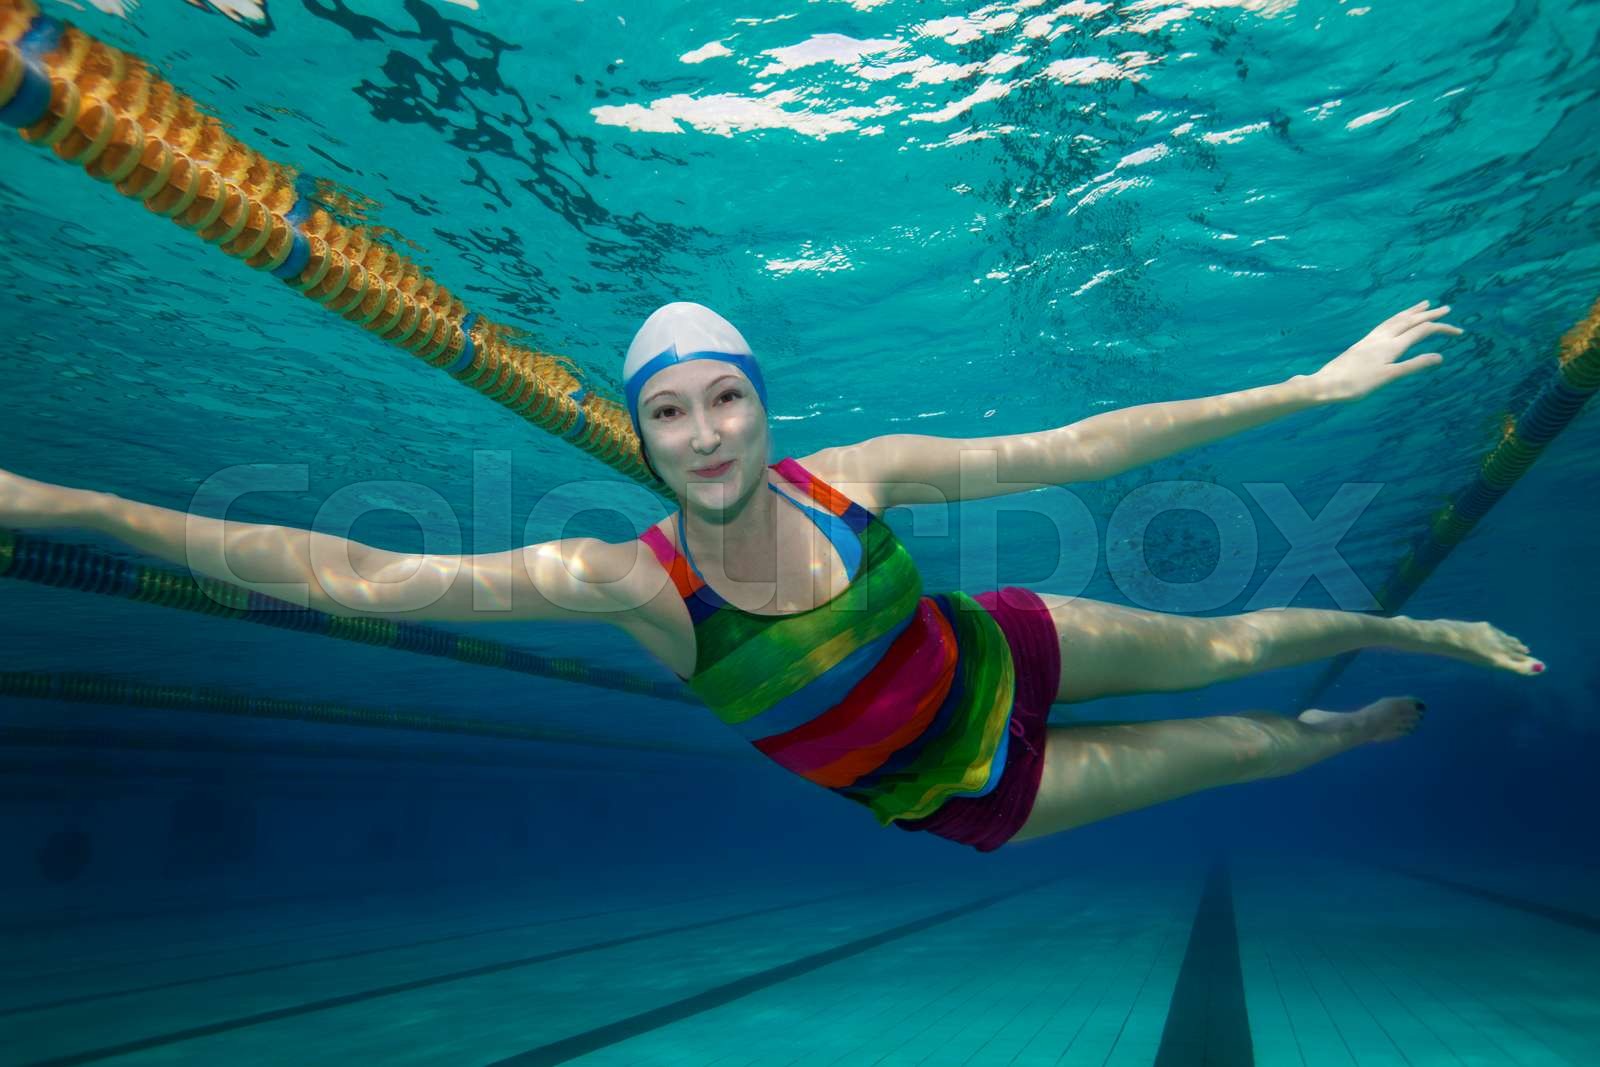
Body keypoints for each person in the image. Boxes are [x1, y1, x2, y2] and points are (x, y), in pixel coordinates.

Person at [0, 299, 1541, 852]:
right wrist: (65, 501)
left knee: (1228, 643)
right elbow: (355, 571)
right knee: (1250, 750)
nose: (704, 431)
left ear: (761, 401)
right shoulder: (628, 583)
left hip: (1006, 648)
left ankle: (1419, 620)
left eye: (721, 395)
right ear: (648, 442)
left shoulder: (856, 474)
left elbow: (1085, 441)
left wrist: (1311, 392)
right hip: (950, 787)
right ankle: (1335, 733)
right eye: (668, 413)